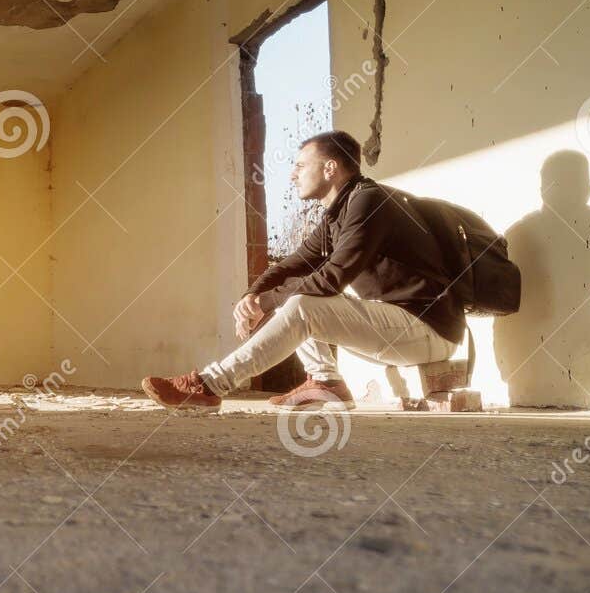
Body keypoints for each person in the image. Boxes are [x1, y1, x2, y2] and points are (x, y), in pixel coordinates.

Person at [141, 131, 464, 412]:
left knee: (302, 303)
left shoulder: (368, 203)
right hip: (400, 327)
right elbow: (293, 264)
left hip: (428, 329)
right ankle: (326, 383)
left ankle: (208, 385)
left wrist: (265, 303)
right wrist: (251, 297)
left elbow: (333, 278)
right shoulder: (338, 213)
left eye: (299, 166)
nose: (293, 175)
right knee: (295, 293)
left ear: (330, 168)